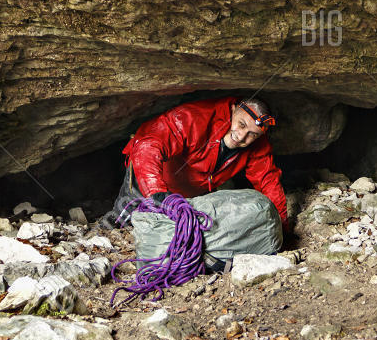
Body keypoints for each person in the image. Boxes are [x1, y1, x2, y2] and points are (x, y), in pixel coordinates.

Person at [111, 96, 288, 246]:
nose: (242, 136)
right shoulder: (194, 117)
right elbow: (148, 147)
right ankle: (103, 232)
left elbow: (268, 181)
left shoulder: (257, 146)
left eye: (252, 134)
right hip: (150, 175)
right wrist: (157, 193)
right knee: (123, 217)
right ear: (233, 109)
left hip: (191, 191)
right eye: (241, 124)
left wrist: (282, 229)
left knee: (172, 235)